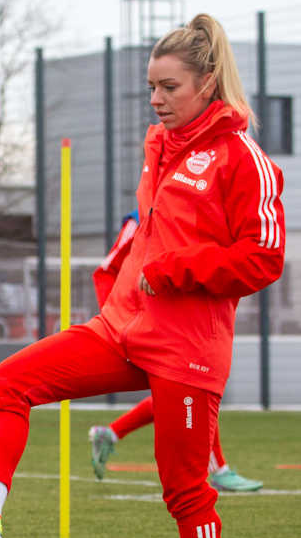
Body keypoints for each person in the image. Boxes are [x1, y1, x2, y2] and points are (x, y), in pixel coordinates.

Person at [0, 14, 284, 538]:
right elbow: (149, 235)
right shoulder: (158, 145)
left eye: (169, 87)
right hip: (122, 328)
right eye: (151, 88)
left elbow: (264, 259)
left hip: (187, 349)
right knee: (8, 383)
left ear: (208, 83)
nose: (156, 100)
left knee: (186, 495)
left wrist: (178, 269)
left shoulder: (244, 159)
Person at [88, 209, 263, 492]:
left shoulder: (194, 214)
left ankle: (111, 433)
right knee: (192, 384)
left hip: (173, 321)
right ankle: (218, 469)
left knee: (184, 389)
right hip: (135, 323)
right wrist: (118, 320)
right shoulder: (139, 219)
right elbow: (105, 271)